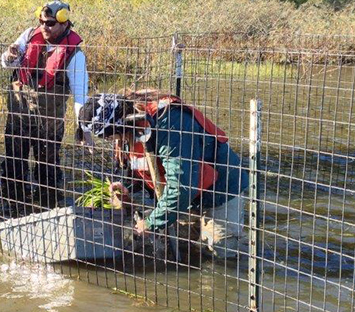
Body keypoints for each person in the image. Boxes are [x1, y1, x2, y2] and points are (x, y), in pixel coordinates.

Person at [77, 90, 249, 259]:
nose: (110, 141)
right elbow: (145, 165)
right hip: (190, 195)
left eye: (109, 136)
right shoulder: (128, 129)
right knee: (184, 248)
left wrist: (151, 223)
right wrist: (127, 186)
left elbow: (181, 186)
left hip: (221, 188)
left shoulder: (169, 122)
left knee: (219, 254)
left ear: (118, 124)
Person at [0, 0, 91, 210]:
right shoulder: (29, 35)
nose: (44, 27)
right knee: (13, 168)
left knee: (47, 174)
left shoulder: (75, 56)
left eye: (49, 23)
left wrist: (84, 129)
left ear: (64, 23)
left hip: (48, 127)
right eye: (41, 22)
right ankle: (14, 210)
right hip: (19, 120)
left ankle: (48, 210)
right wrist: (10, 55)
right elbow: (6, 63)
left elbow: (80, 97)